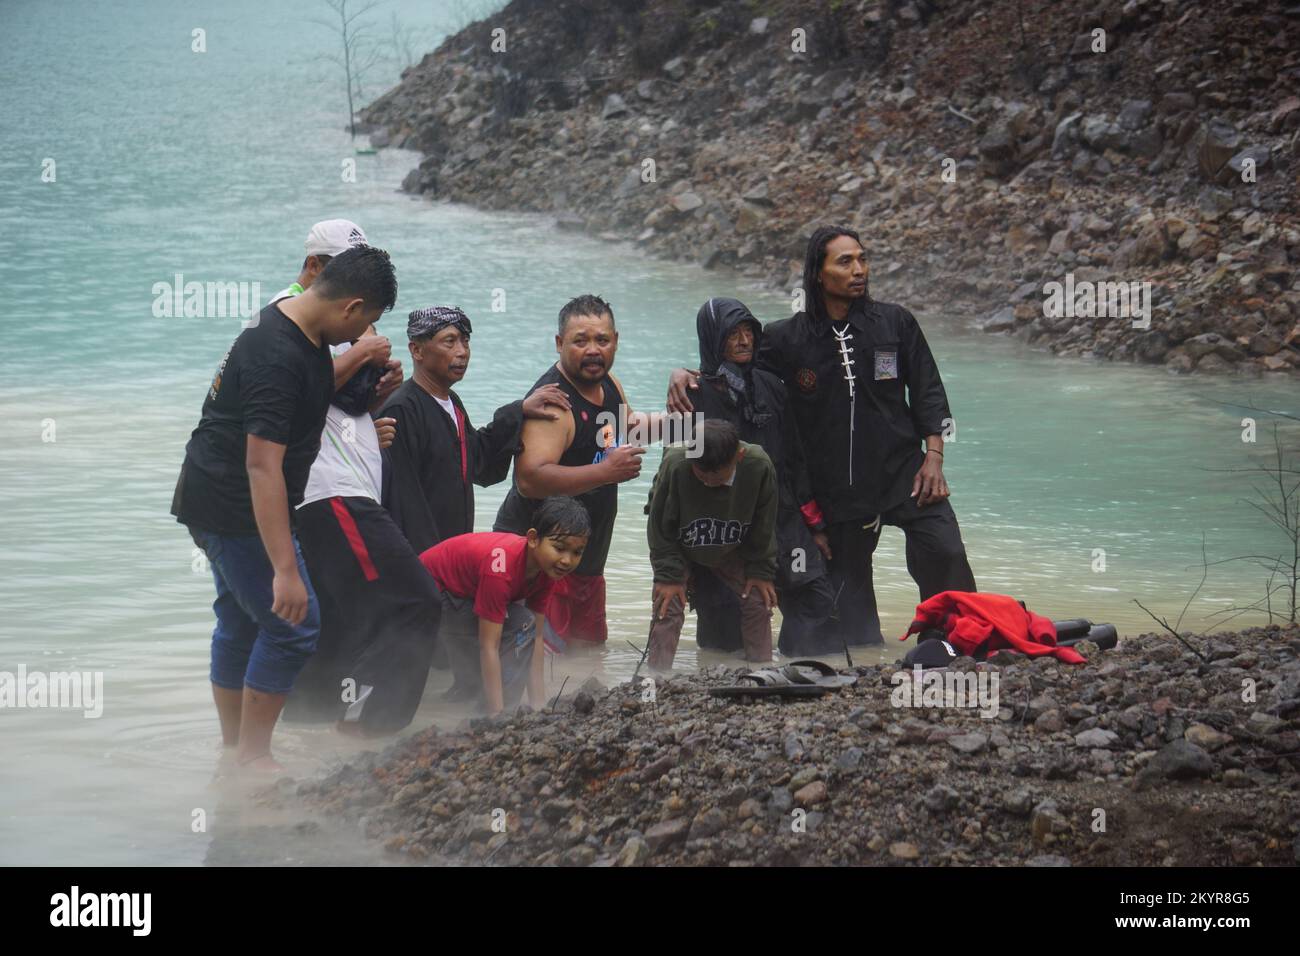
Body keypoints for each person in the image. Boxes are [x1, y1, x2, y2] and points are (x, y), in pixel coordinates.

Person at [668, 226, 976, 645]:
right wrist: (684, 373)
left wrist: (934, 455)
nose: (859, 270)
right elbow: (732, 361)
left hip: (906, 472)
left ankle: (955, 643)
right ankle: (873, 668)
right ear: (818, 272)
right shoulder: (786, 337)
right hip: (838, 492)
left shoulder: (895, 322)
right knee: (852, 622)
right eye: (845, 262)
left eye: (863, 259)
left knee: (946, 552)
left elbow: (928, 390)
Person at [171, 245, 398, 770]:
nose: (364, 334)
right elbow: (261, 466)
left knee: (238, 620)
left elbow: (307, 397)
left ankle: (234, 751)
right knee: (295, 626)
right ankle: (252, 759)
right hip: (234, 506)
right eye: (369, 322)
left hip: (209, 494)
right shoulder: (280, 351)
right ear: (352, 306)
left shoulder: (295, 328)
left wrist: (371, 397)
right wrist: (285, 569)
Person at [285, 324, 444, 735]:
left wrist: (376, 396)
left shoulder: (343, 375)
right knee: (414, 601)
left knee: (341, 620)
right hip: (335, 497)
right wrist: (362, 353)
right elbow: (301, 389)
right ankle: (365, 727)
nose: (376, 353)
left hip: (335, 498)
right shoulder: (298, 324)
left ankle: (306, 726)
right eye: (361, 339)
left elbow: (332, 413)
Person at [493, 295, 651, 648]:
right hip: (540, 562)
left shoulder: (609, 384)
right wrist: (606, 473)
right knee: (543, 664)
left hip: (584, 559)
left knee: (587, 656)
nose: (593, 350)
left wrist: (695, 425)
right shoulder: (554, 402)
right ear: (559, 343)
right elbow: (530, 479)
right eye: (580, 341)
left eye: (602, 340)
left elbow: (629, 428)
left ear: (616, 341)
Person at [686, 297, 835, 656]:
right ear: (712, 339)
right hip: (721, 525)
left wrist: (813, 525)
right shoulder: (690, 395)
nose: (743, 341)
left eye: (748, 332)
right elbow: (677, 475)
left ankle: (798, 665)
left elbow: (794, 458)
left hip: (782, 518)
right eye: (732, 334)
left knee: (815, 597)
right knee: (727, 632)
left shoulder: (771, 386)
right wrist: (683, 554)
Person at [381, 306, 570, 555]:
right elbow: (405, 500)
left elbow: (476, 461)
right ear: (416, 350)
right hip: (421, 557)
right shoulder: (402, 409)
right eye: (449, 342)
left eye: (465, 342)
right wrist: (428, 564)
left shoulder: (452, 403)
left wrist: (519, 411)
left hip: (452, 549)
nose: (462, 352)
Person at [419, 497, 591, 714]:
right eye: (559, 548)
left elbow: (538, 638)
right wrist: (497, 715)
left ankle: (466, 700)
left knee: (525, 629)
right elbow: (488, 645)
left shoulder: (548, 569)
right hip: (429, 594)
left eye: (576, 552)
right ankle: (498, 711)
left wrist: (540, 705)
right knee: (521, 626)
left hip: (461, 594)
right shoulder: (501, 567)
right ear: (532, 539)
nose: (567, 560)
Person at [645, 420, 777, 671]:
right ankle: (657, 677)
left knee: (759, 598)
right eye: (700, 472)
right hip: (681, 546)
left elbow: (765, 522)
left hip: (731, 545)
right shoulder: (676, 464)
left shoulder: (758, 465)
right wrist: (668, 576)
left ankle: (763, 673)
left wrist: (762, 570)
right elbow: (660, 527)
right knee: (668, 605)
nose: (707, 480)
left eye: (716, 475)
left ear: (738, 456)